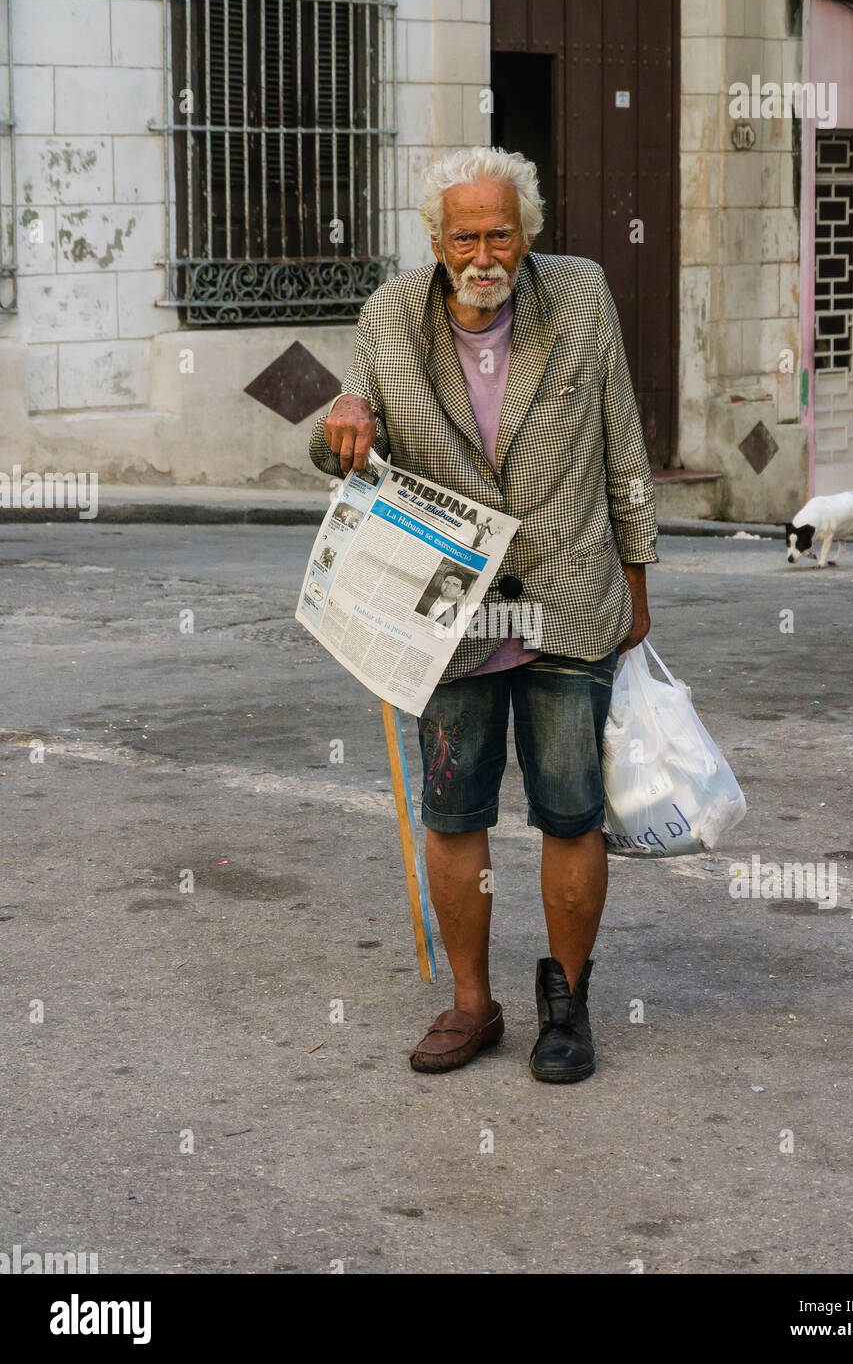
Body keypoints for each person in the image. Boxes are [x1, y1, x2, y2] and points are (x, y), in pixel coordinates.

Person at [310, 146, 657, 1084]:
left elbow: (621, 436)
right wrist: (340, 416)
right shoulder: (390, 315)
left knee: (570, 813)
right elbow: (347, 428)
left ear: (527, 232)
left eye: (500, 232)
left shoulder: (580, 297)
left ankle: (567, 1005)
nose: (483, 252)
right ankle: (472, 1004)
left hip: (568, 595)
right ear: (436, 240)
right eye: (463, 235)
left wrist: (635, 573)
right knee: (455, 814)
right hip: (448, 618)